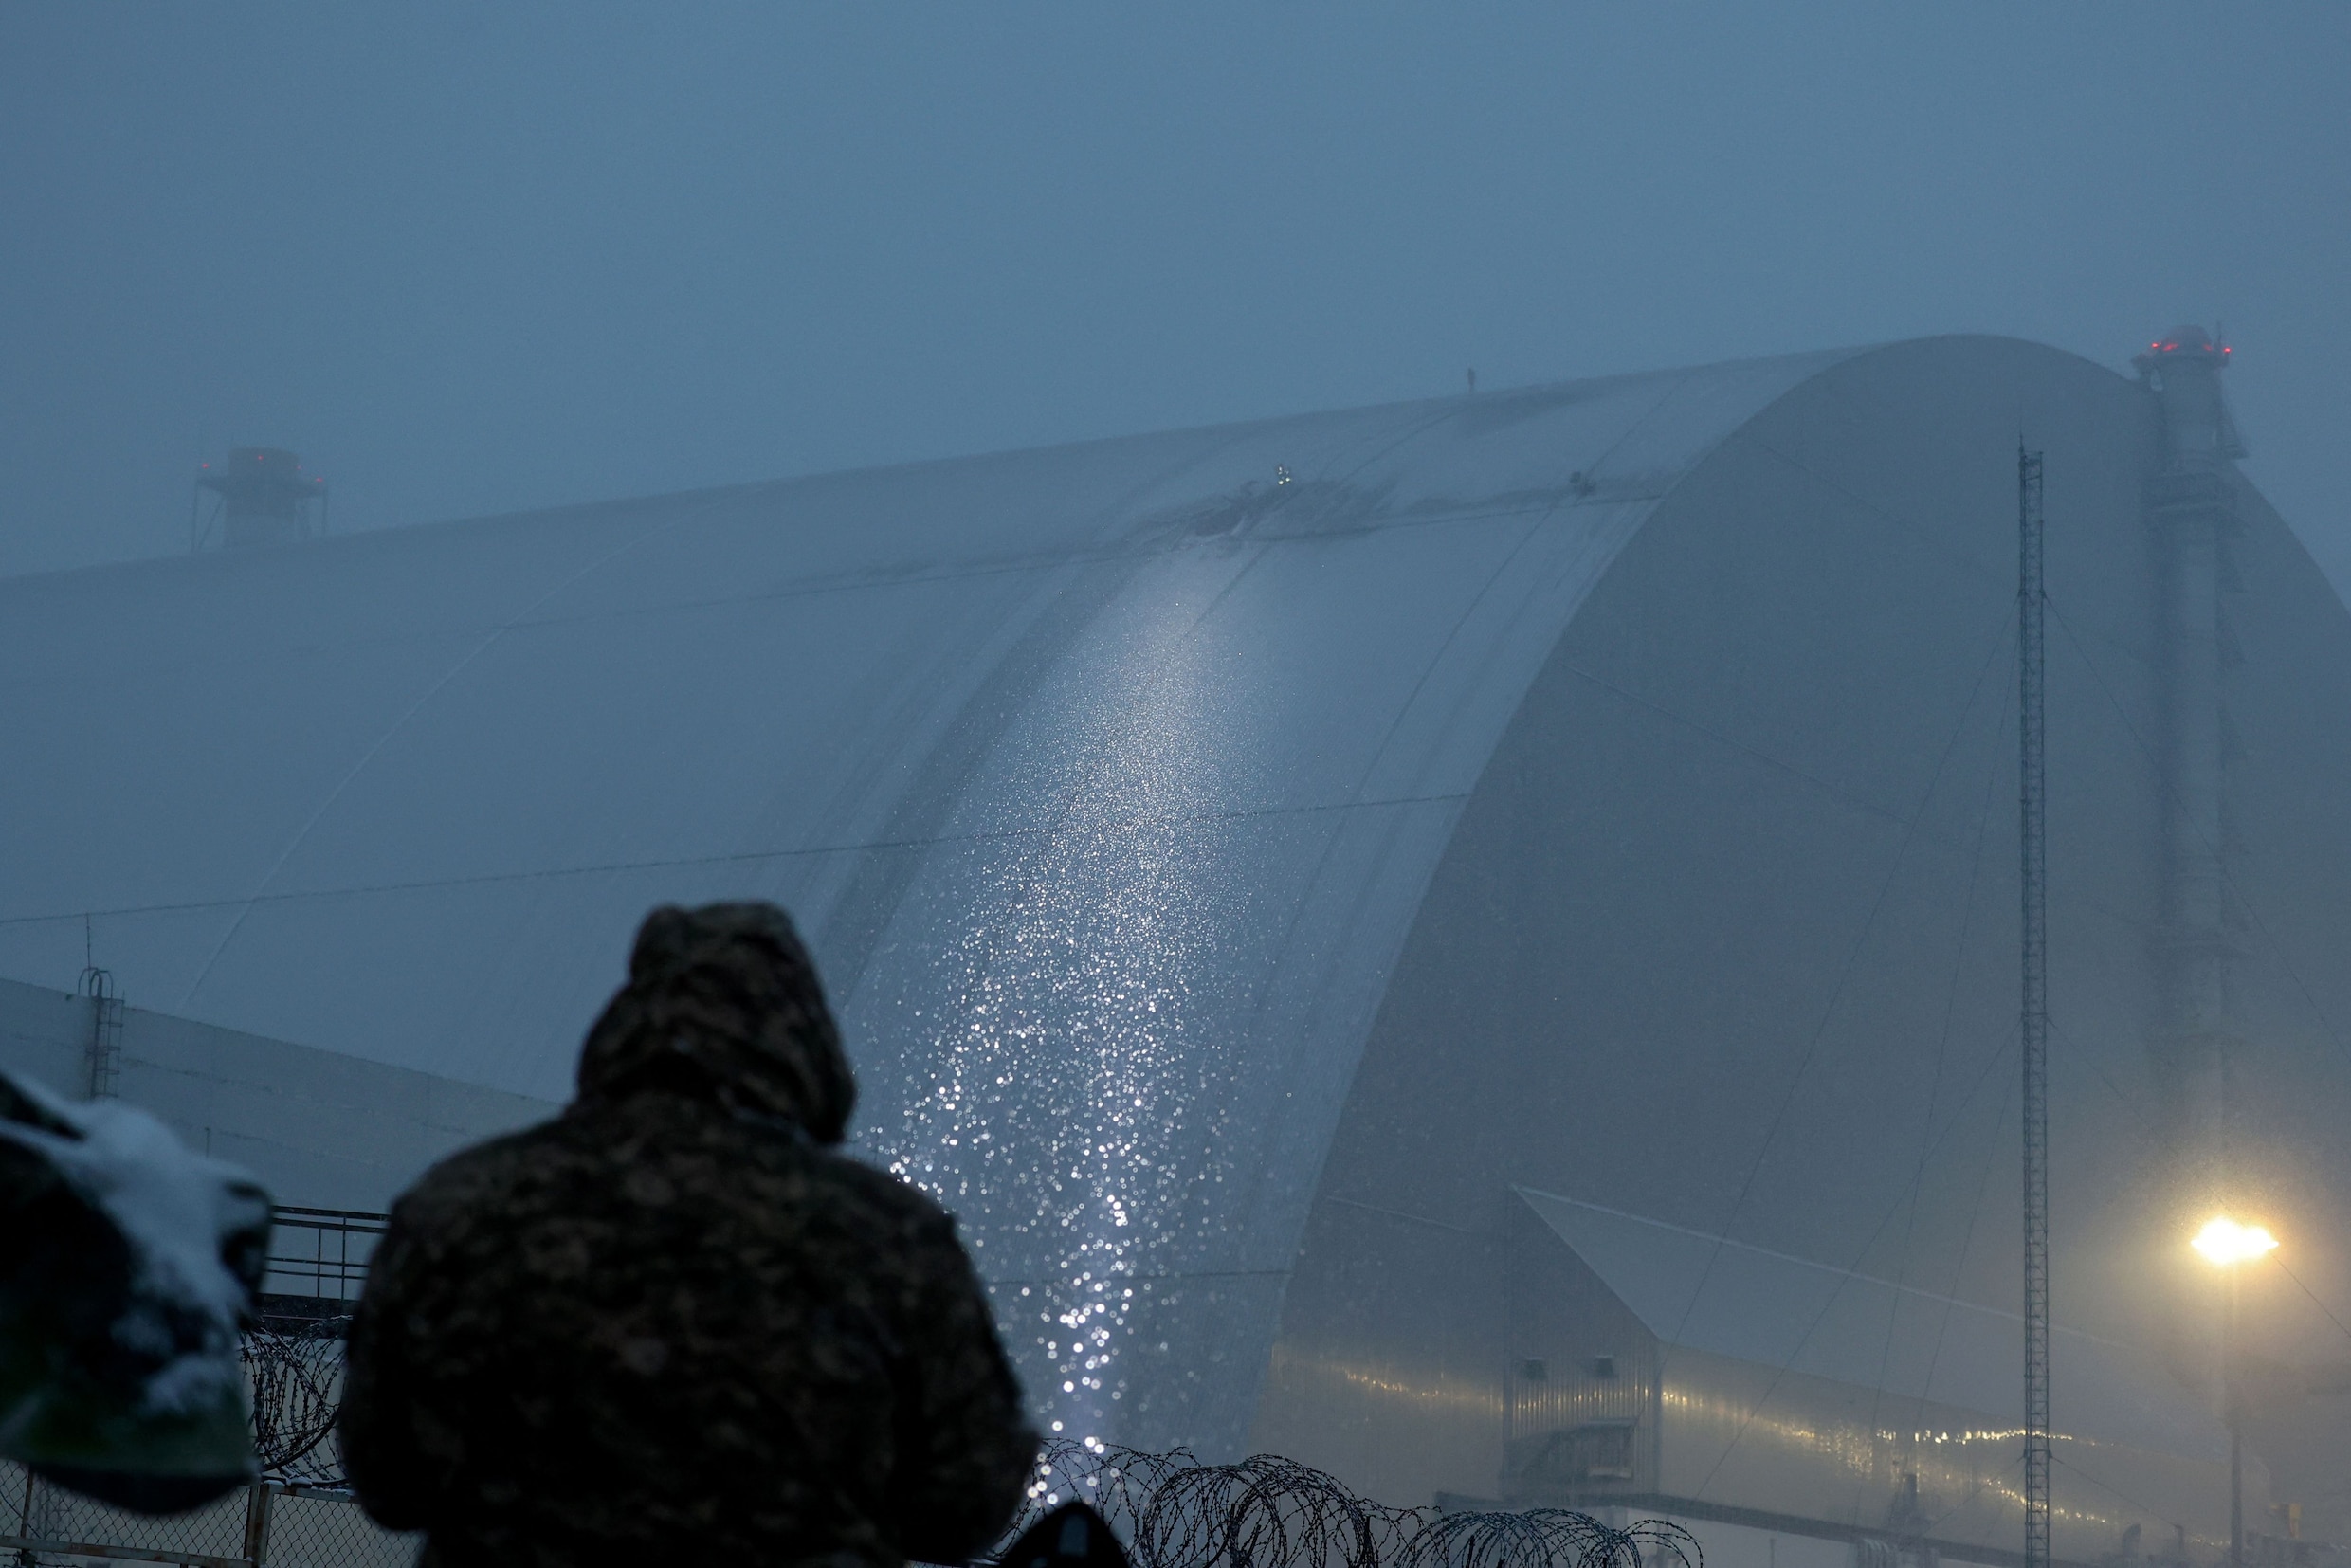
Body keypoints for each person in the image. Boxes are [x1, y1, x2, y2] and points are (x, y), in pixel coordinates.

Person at [340, 902, 1037, 1568]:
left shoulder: (467, 1204)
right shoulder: (887, 1236)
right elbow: (965, 1503)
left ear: (629, 1025)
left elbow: (389, 1478)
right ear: (799, 1040)